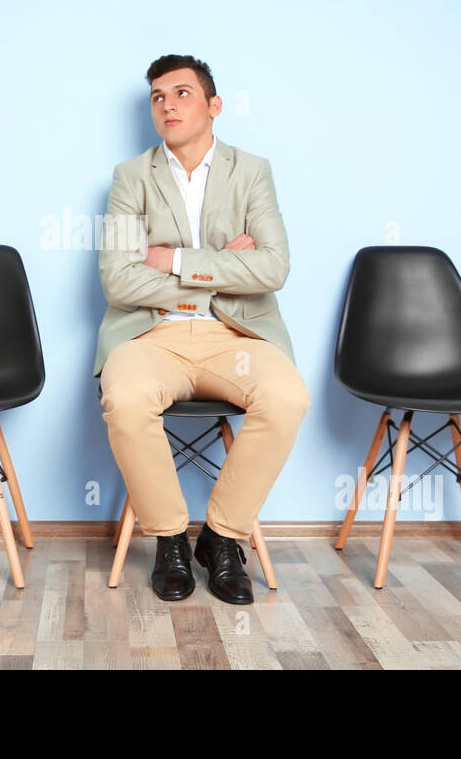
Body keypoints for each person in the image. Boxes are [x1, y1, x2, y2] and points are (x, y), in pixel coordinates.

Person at [93, 54, 311, 604]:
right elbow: (119, 283)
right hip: (151, 336)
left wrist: (172, 260)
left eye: (182, 93)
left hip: (234, 336)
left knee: (287, 397)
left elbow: (273, 269)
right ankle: (168, 539)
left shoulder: (252, 171)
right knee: (125, 396)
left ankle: (221, 537)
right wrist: (222, 266)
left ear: (214, 105)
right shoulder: (129, 177)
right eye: (158, 96)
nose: (168, 105)